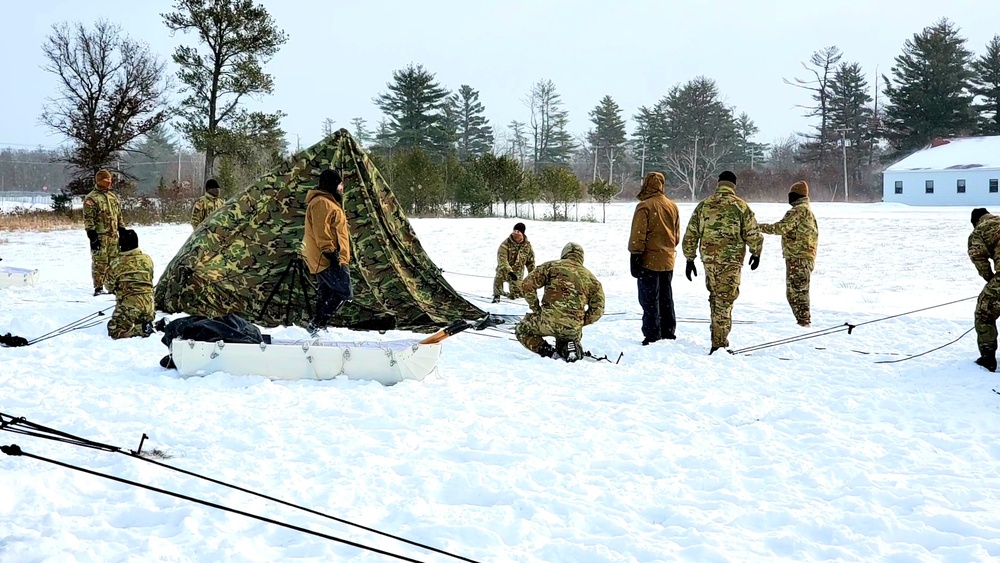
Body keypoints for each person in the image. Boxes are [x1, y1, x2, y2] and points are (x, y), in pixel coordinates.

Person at [681, 170, 763, 354]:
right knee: (724, 300)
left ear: (719, 184)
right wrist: (756, 253)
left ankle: (716, 335)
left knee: (715, 297)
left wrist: (689, 258)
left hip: (709, 261)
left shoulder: (704, 205)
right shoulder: (741, 206)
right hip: (731, 262)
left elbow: (691, 234)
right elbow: (753, 234)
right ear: (734, 185)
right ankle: (718, 343)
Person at [516, 242, 605, 362]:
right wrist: (581, 321)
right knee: (568, 339)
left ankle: (545, 350)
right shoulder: (591, 279)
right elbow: (598, 309)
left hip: (548, 320)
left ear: (564, 253)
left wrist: (535, 307)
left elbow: (527, 285)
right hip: (572, 327)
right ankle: (571, 348)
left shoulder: (551, 267)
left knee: (522, 329)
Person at [628, 171, 681, 345]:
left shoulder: (645, 206)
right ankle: (668, 330)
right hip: (668, 260)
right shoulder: (672, 206)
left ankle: (652, 333)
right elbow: (677, 236)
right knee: (666, 297)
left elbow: (638, 234)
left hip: (648, 260)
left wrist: (635, 256)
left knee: (649, 298)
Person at [759, 181, 819, 327]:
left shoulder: (798, 210)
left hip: (798, 257)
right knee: (797, 290)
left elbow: (781, 228)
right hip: (802, 257)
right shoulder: (806, 210)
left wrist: (757, 226)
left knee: (797, 292)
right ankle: (803, 321)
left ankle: (804, 323)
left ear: (795, 195)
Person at [302, 169, 353, 335]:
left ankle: (317, 327)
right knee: (343, 292)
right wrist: (330, 253)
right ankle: (317, 323)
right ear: (331, 185)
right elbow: (321, 231)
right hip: (327, 257)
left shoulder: (326, 202)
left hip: (327, 257)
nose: (341, 188)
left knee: (326, 293)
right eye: (339, 184)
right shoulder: (322, 203)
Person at [106, 228, 155, 339]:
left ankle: (140, 330)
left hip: (130, 306)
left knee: (115, 330)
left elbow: (108, 286)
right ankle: (150, 324)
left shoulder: (116, 263)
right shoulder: (147, 259)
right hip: (149, 305)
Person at [968, 207, 1000, 372]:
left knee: (984, 313)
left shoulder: (979, 231)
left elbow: (978, 257)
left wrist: (991, 279)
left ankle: (987, 359)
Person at [84, 169, 124, 296]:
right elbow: (88, 218)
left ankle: (112, 287)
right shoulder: (91, 198)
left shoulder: (113, 197)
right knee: (100, 262)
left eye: (110, 179)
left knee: (114, 262)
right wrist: (91, 234)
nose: (109, 182)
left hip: (113, 236)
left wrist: (122, 229)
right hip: (100, 236)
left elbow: (118, 215)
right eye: (106, 180)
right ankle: (98, 287)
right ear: (99, 181)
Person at [492, 222, 535, 303]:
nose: (515, 233)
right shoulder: (505, 244)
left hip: (518, 272)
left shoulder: (527, 246)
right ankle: (497, 295)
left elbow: (530, 261)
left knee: (517, 295)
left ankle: (515, 293)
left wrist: (532, 274)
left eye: (518, 231)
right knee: (499, 277)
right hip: (505, 270)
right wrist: (510, 272)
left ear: (522, 233)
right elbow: (502, 260)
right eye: (514, 230)